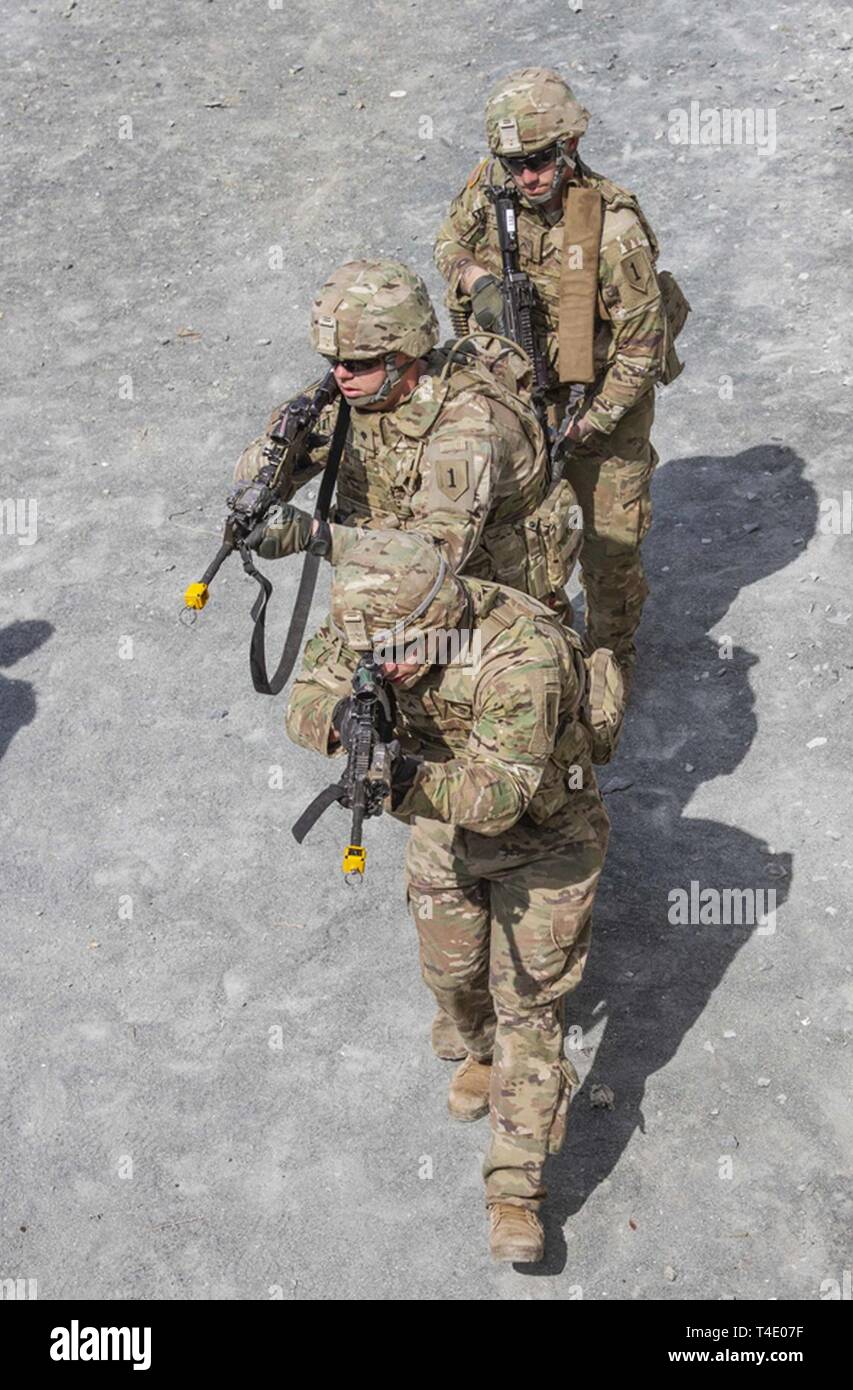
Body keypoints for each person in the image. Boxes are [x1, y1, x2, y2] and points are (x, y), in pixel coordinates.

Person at [285, 528, 610, 1263]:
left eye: (399, 652)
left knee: (530, 1004)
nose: (384, 666)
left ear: (440, 618)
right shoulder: (372, 617)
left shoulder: (517, 655)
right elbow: (302, 696)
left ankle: (515, 1193)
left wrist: (401, 780)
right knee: (452, 976)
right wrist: (340, 721)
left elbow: (499, 798)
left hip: (544, 840)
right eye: (372, 654)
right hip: (440, 831)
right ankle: (483, 1051)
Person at [434, 67, 686, 692]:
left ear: (570, 146)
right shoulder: (492, 192)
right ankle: (540, 652)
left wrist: (586, 425)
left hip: (600, 404)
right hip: (518, 397)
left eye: (541, 160)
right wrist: (477, 282)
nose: (527, 177)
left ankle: (610, 657)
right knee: (520, 538)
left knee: (609, 547)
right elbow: (447, 244)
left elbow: (641, 351)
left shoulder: (612, 230)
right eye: (514, 163)